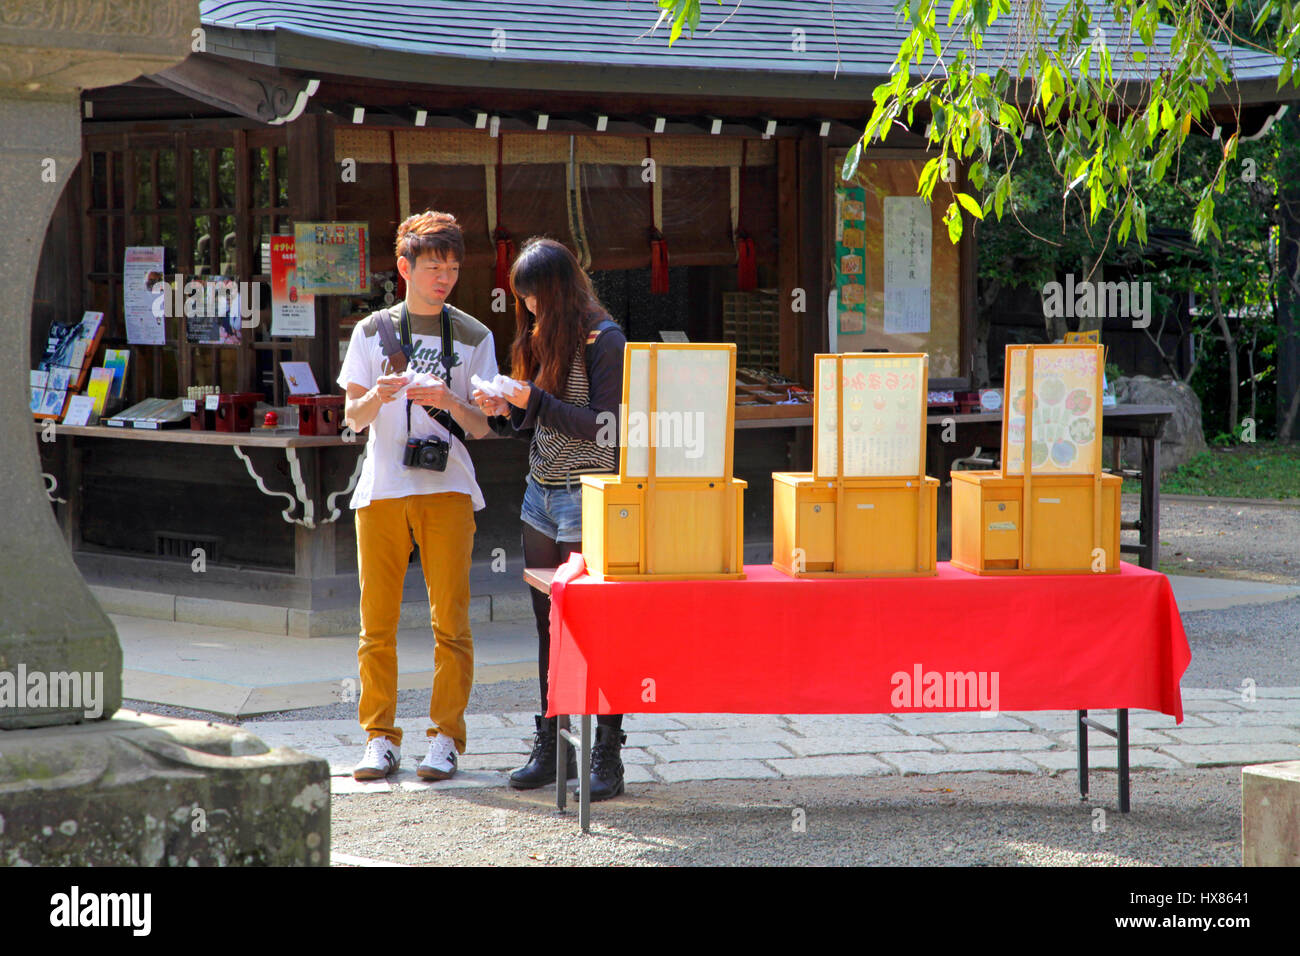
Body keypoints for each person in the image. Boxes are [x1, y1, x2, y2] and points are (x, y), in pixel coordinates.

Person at [338, 210, 497, 782]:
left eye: (453, 267)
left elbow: (483, 427)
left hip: (448, 486)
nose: (445, 277)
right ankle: (379, 737)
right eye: (434, 265)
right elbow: (352, 418)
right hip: (382, 488)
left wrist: (450, 402)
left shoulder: (476, 334)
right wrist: (377, 397)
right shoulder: (371, 331)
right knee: (374, 625)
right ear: (404, 267)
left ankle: (445, 738)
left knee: (450, 622)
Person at [472, 237, 630, 801]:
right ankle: (551, 742)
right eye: (523, 300)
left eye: (535, 297)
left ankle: (606, 753)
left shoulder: (603, 337)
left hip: (591, 495)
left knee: (597, 627)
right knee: (547, 624)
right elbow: (537, 420)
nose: (530, 309)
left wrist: (532, 402)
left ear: (559, 289)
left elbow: (606, 427)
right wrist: (509, 409)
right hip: (540, 491)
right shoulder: (542, 334)